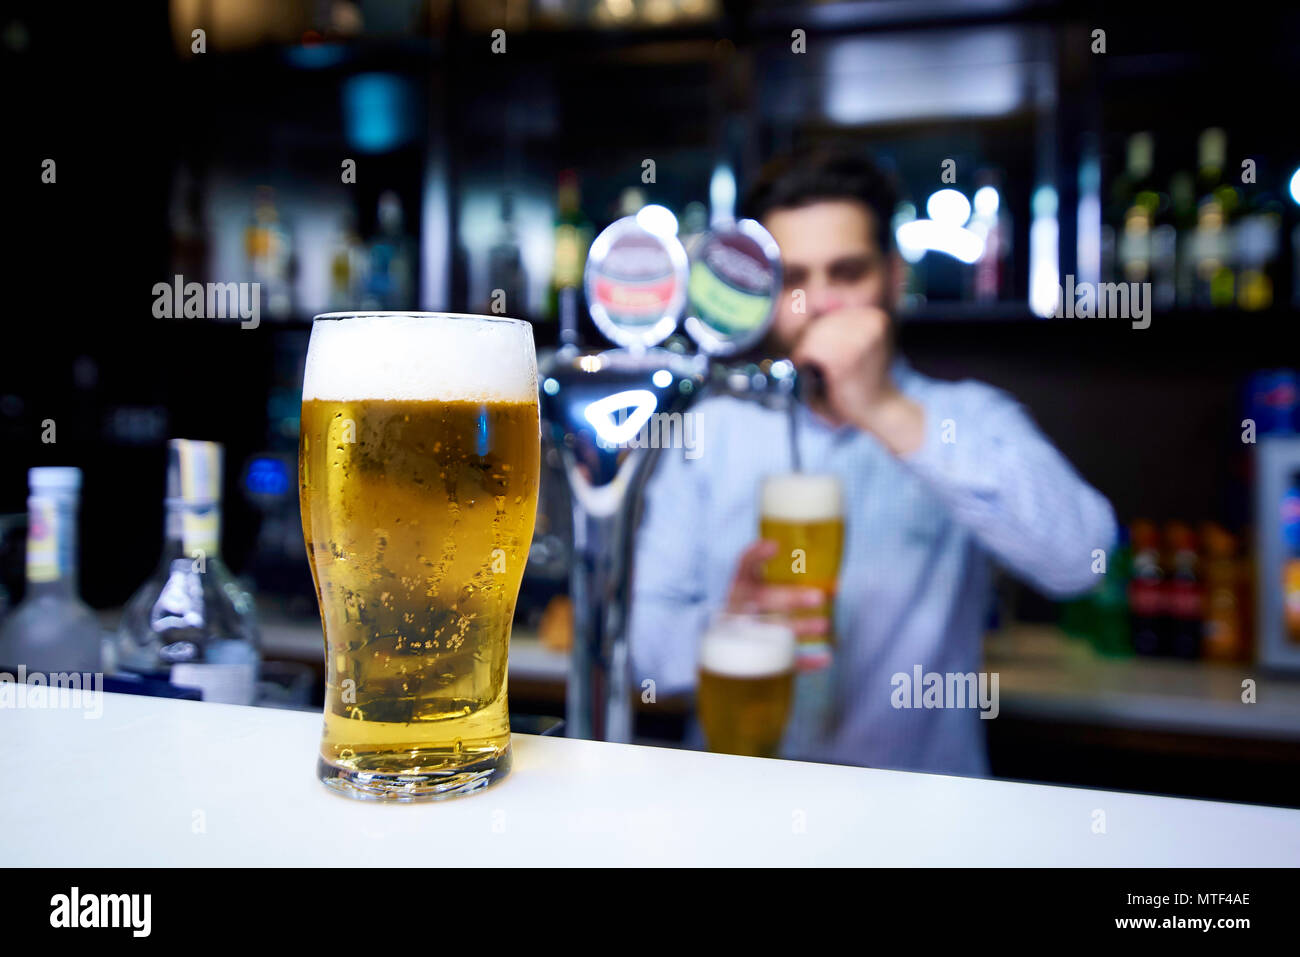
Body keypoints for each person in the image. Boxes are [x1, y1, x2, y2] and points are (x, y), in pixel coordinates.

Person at [627, 148, 1117, 776]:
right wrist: (724, 622)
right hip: (742, 809)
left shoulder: (967, 417)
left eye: (848, 271)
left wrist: (884, 408)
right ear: (761, 293)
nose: (822, 302)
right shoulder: (710, 427)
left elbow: (1085, 560)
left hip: (923, 823)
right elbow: (638, 647)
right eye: (795, 280)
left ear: (893, 275)